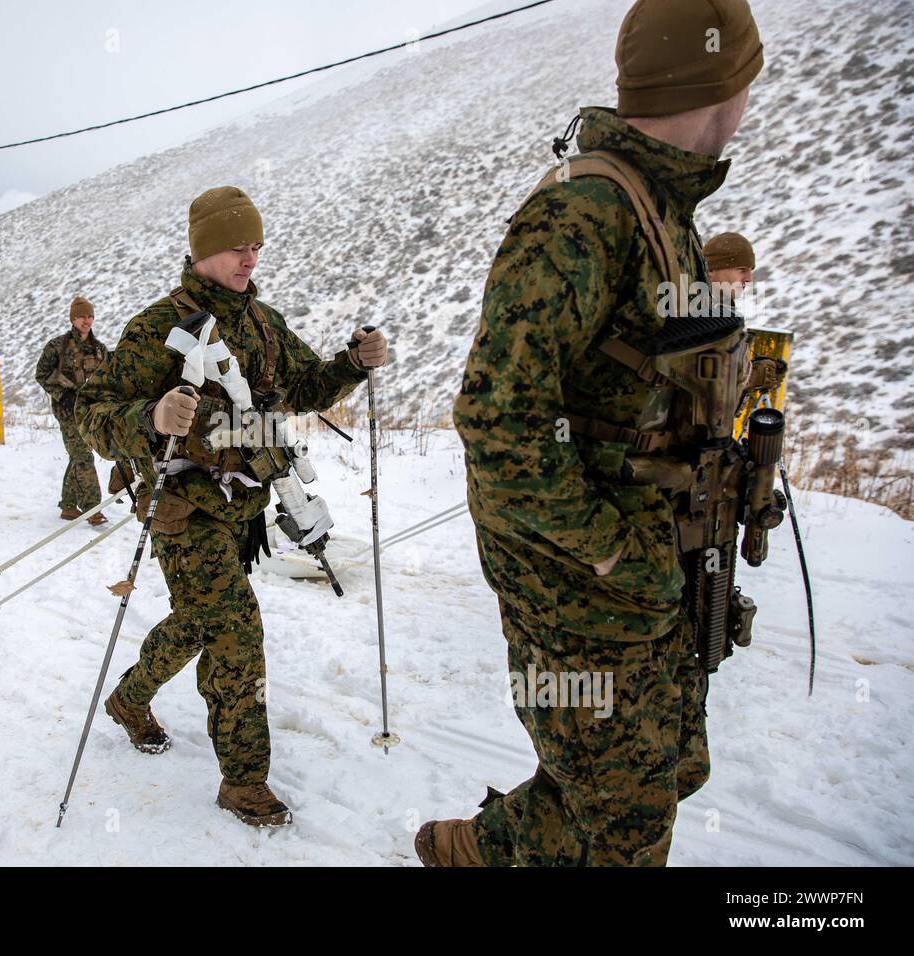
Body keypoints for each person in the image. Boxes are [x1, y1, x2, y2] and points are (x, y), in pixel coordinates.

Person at [426, 0, 764, 865]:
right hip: (581, 595)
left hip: (651, 577)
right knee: (628, 827)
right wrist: (613, 551)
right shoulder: (581, 220)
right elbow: (496, 425)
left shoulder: (667, 214)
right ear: (720, 85)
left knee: (669, 771)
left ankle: (478, 849)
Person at [76, 186, 388, 827]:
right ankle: (244, 781)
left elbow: (304, 387)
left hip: (243, 507)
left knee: (200, 621)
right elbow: (94, 419)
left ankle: (130, 700)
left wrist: (352, 364)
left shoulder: (263, 322)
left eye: (255, 247)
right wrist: (152, 415)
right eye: (235, 248)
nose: (249, 259)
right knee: (236, 631)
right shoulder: (153, 331)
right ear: (202, 252)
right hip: (184, 512)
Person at [35, 296, 109, 523]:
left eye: (90, 316)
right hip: (68, 413)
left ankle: (68, 505)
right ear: (73, 319)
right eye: (82, 316)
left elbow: (108, 378)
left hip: (92, 412)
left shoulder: (99, 349)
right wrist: (62, 395)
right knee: (84, 457)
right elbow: (42, 374)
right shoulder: (58, 346)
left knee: (78, 457)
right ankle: (93, 509)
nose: (87, 321)